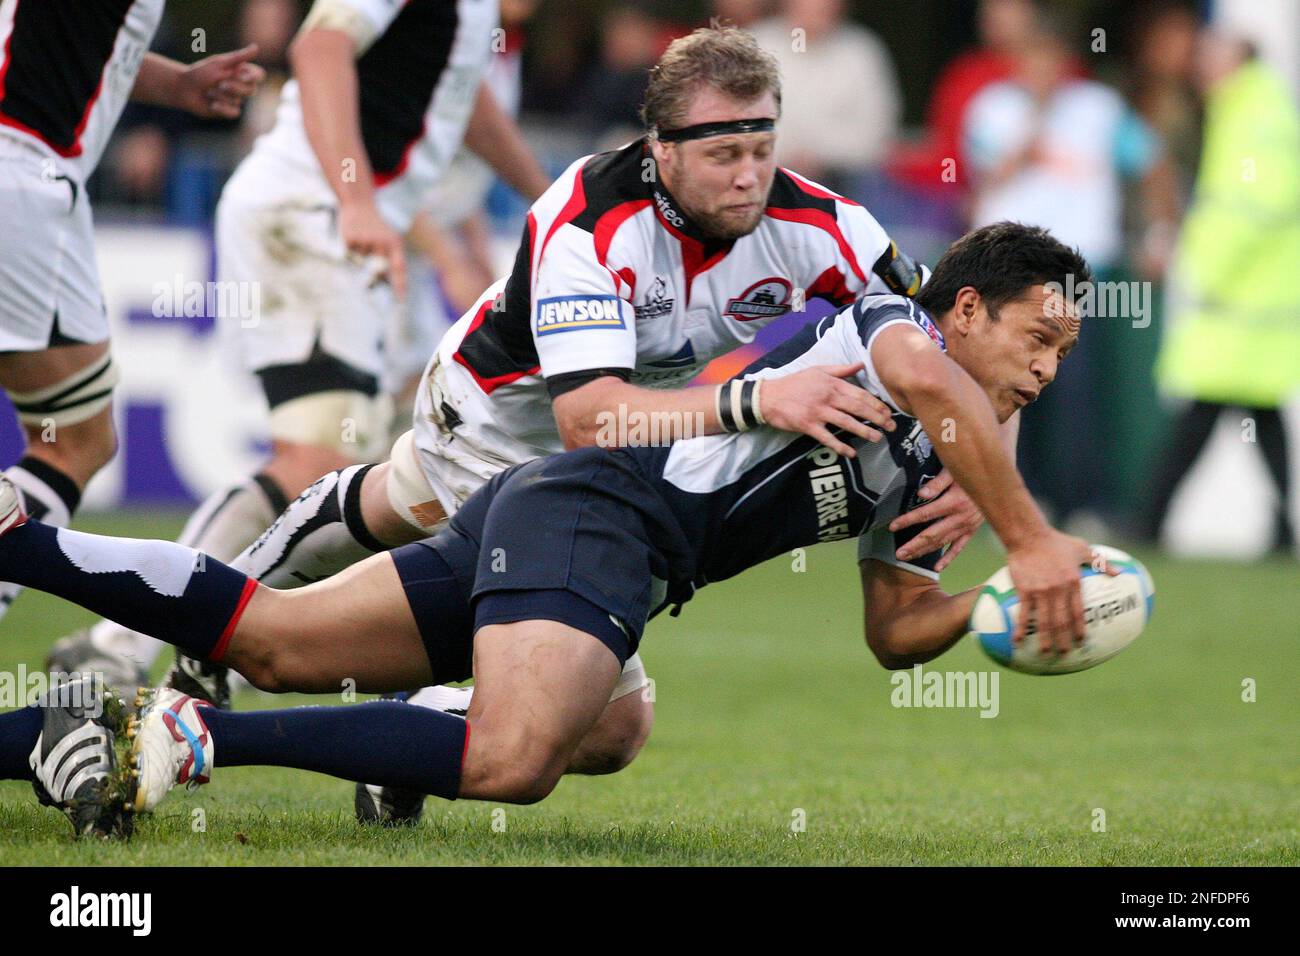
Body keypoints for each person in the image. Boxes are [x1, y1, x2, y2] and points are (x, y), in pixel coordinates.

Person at [0, 222, 1105, 837]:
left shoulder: (950, 458)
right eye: (1038, 336)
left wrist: (990, 604)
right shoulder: (900, 326)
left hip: (572, 521)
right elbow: (922, 379)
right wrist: (1033, 536)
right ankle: (199, 741)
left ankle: (18, 542)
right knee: (515, 755)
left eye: (1067, 355)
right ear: (965, 309)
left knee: (277, 642)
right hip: (600, 517)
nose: (1050, 371)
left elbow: (893, 627)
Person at [181, 26, 994, 824]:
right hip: (501, 419)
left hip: (615, 447)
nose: (751, 178)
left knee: (419, 526)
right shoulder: (591, 217)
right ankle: (242, 653)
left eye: (763, 150)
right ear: (662, 150)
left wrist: (970, 466)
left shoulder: (826, 226)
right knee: (604, 720)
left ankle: (265, 638)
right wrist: (756, 401)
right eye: (724, 155)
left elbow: (948, 341)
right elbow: (586, 418)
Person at [45, 0, 553, 689]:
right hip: (311, 217)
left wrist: (553, 202)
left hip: (342, 232)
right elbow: (319, 50)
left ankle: (211, 651)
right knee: (320, 459)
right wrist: (355, 201)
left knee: (388, 465)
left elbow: (464, 105)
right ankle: (129, 640)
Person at [0, 1, 265, 624]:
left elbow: (64, 35)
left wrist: (172, 82)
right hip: (22, 175)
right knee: (74, 440)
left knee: (76, 438)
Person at [1140, 32, 1300, 551]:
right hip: (1250, 305)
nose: (1202, 64)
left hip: (1240, 304)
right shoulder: (1251, 108)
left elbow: (1252, 206)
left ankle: (1149, 519)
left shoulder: (1255, 115)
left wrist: (1199, 268)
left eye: (1213, 55)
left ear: (1239, 61)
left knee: (1205, 414)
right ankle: (1281, 531)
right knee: (1255, 417)